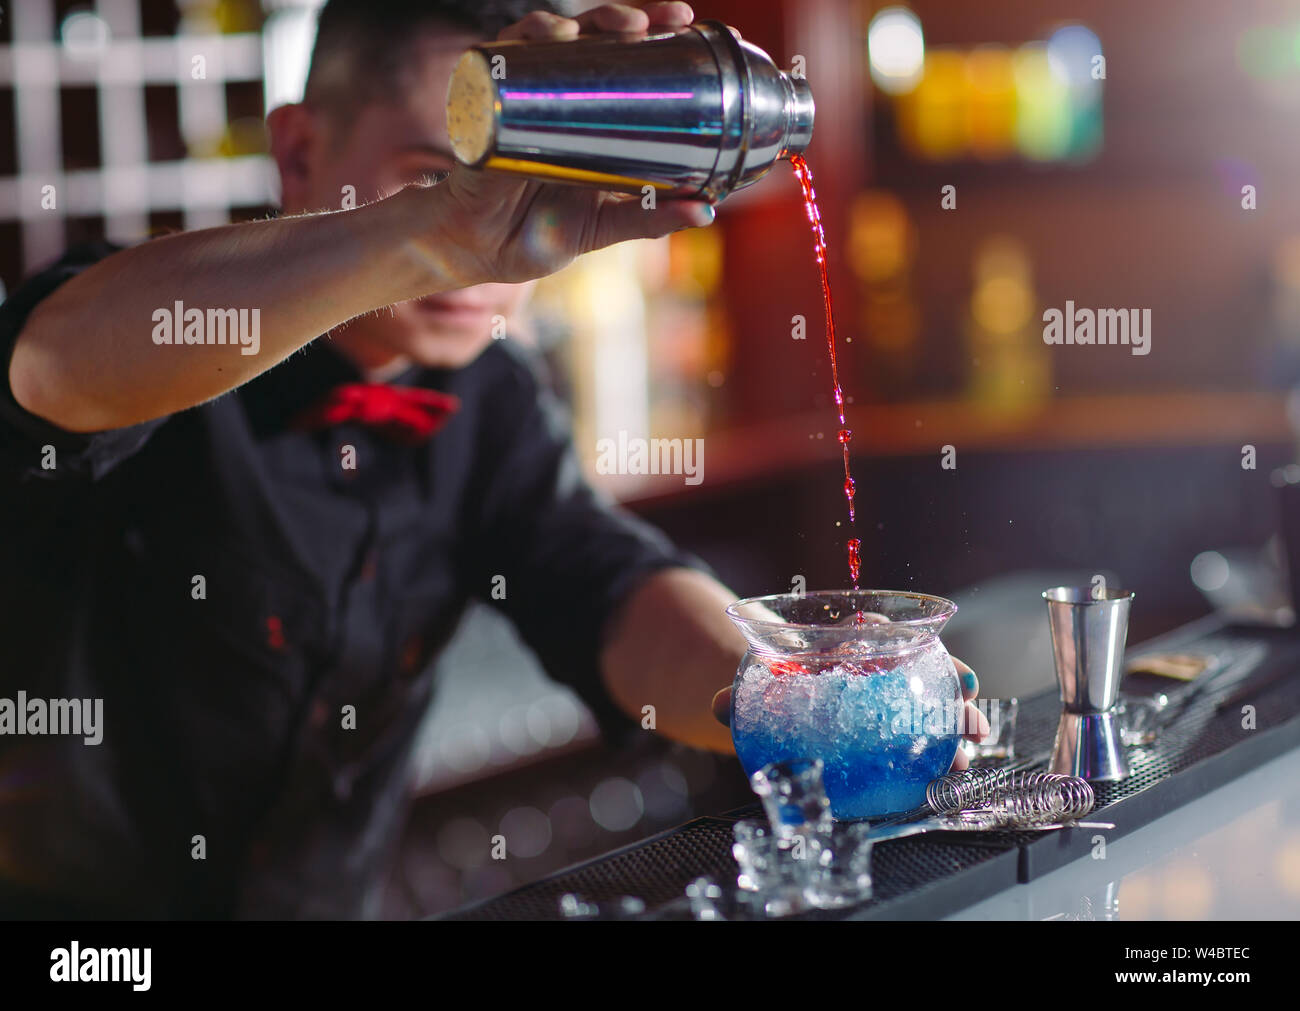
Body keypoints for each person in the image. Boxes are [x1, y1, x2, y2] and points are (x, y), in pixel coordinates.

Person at [0, 0, 985, 919]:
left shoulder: (490, 399)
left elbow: (613, 591)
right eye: (434, 174)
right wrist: (430, 235)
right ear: (298, 151)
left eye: (512, 181)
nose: (483, 246)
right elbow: (55, 365)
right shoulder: (168, 315)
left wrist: (793, 691)